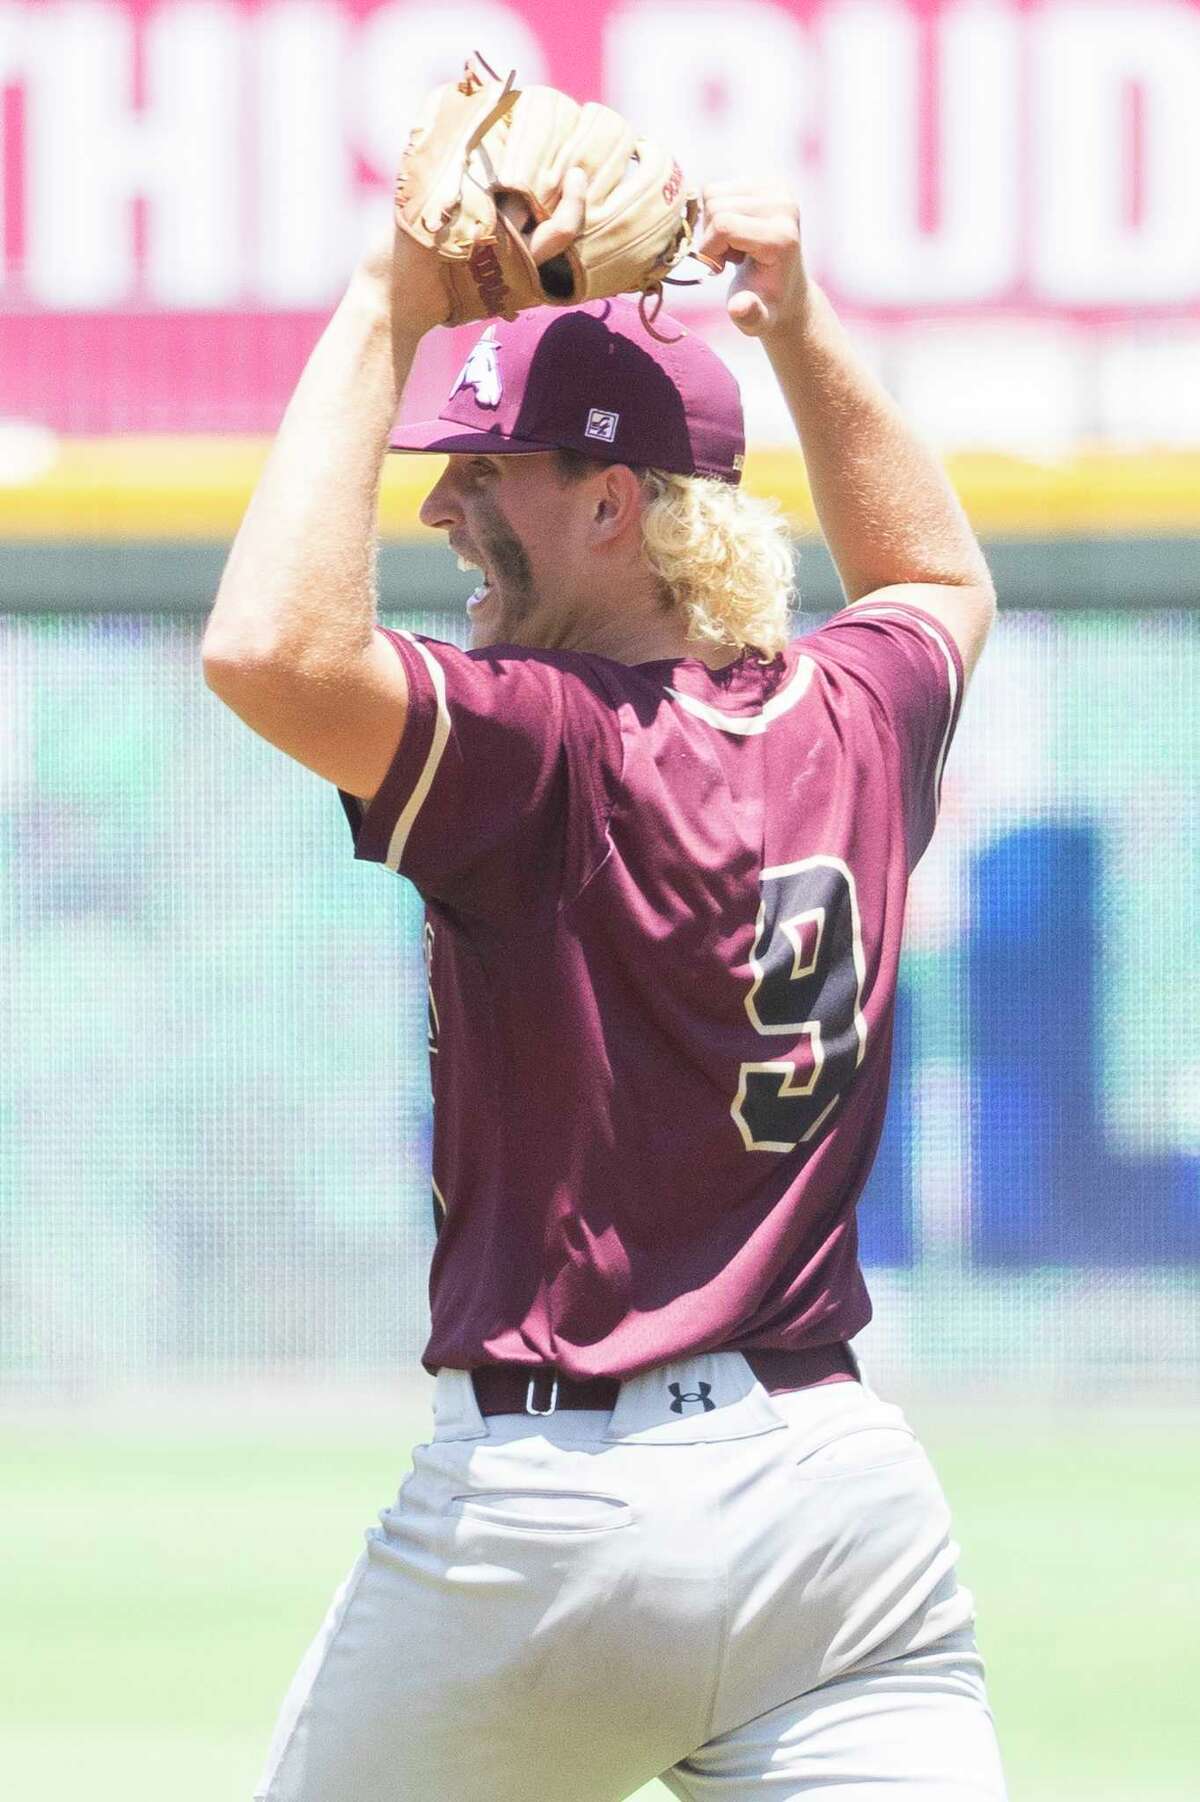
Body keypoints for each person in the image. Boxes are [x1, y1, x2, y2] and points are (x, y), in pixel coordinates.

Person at [202, 179, 1005, 1802]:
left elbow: (270, 651)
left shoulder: (546, 747)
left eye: (485, 468)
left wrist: (380, 304)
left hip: (554, 1515)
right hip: (833, 1512)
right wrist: (801, 320)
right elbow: (940, 583)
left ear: (615, 505)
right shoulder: (852, 713)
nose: (441, 512)